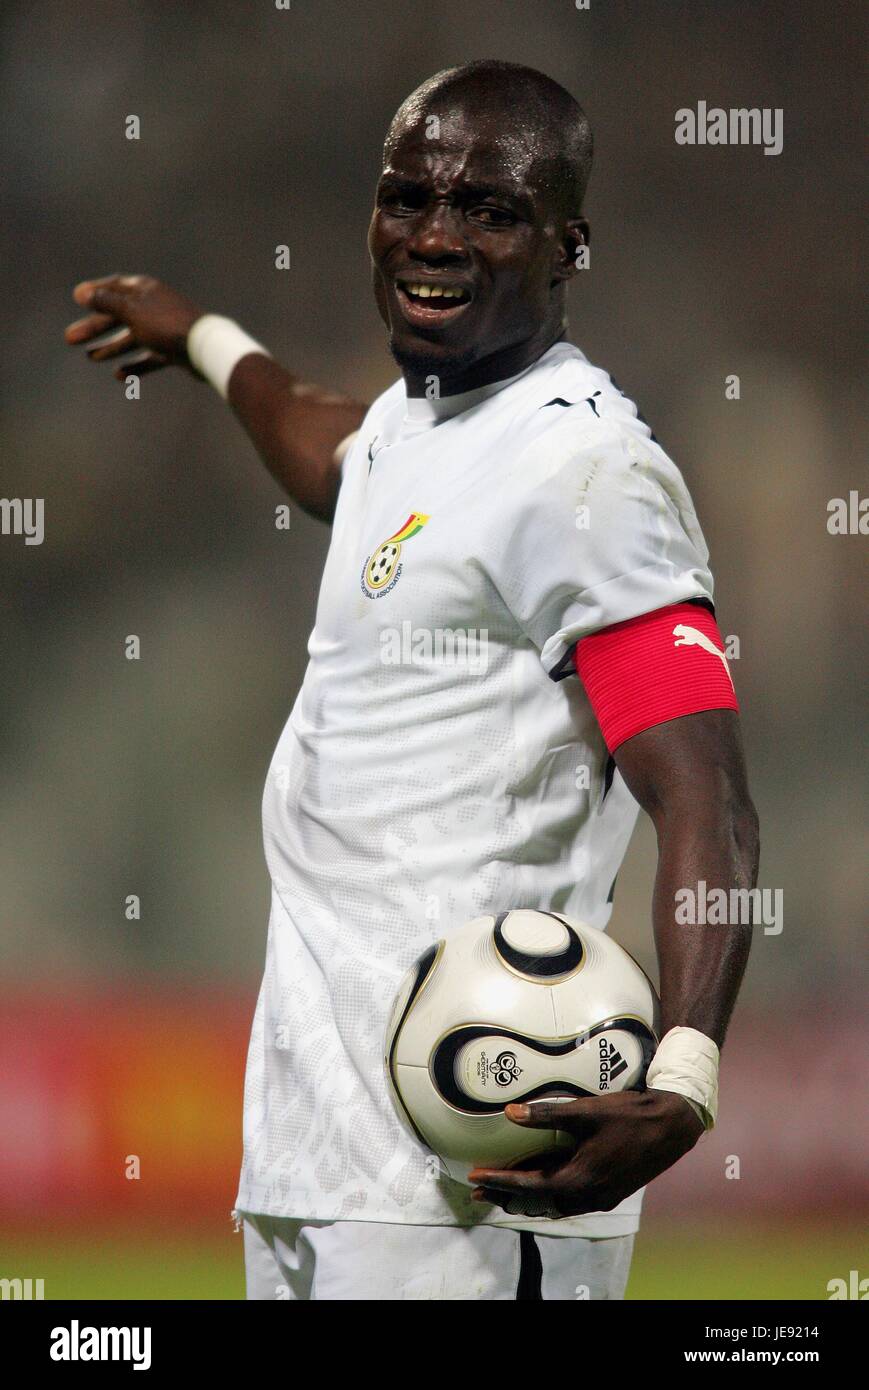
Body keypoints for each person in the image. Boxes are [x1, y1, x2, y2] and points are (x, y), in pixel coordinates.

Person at [65, 59, 759, 1301]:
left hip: (470, 1180)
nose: (433, 233)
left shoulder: (583, 473)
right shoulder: (411, 423)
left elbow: (704, 798)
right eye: (405, 197)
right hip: (316, 1159)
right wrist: (205, 339)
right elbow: (322, 440)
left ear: (565, 245)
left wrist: (686, 1074)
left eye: (489, 209)